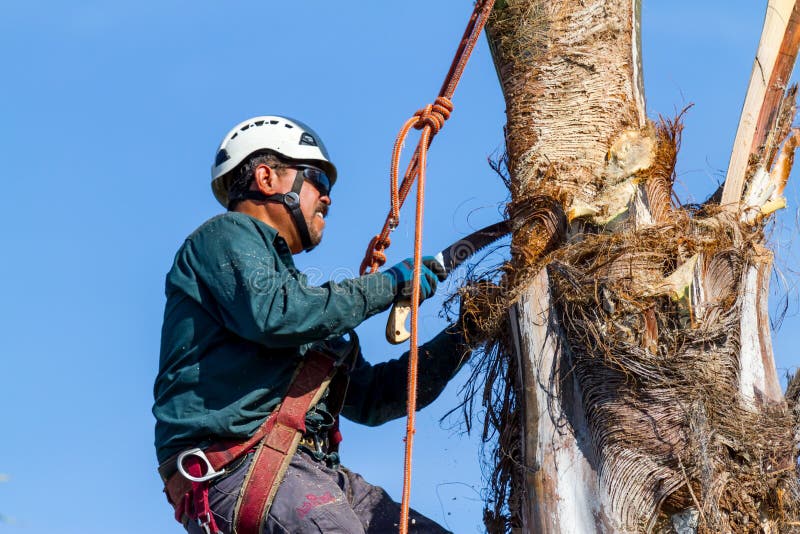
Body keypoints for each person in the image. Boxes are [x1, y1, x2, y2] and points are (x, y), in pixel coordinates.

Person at [153, 115, 471, 533]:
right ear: (266, 178)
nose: (327, 198)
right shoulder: (225, 237)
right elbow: (279, 315)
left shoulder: (298, 303)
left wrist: (468, 332)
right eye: (317, 179)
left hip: (304, 469)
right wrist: (389, 284)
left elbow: (376, 398)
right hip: (236, 466)